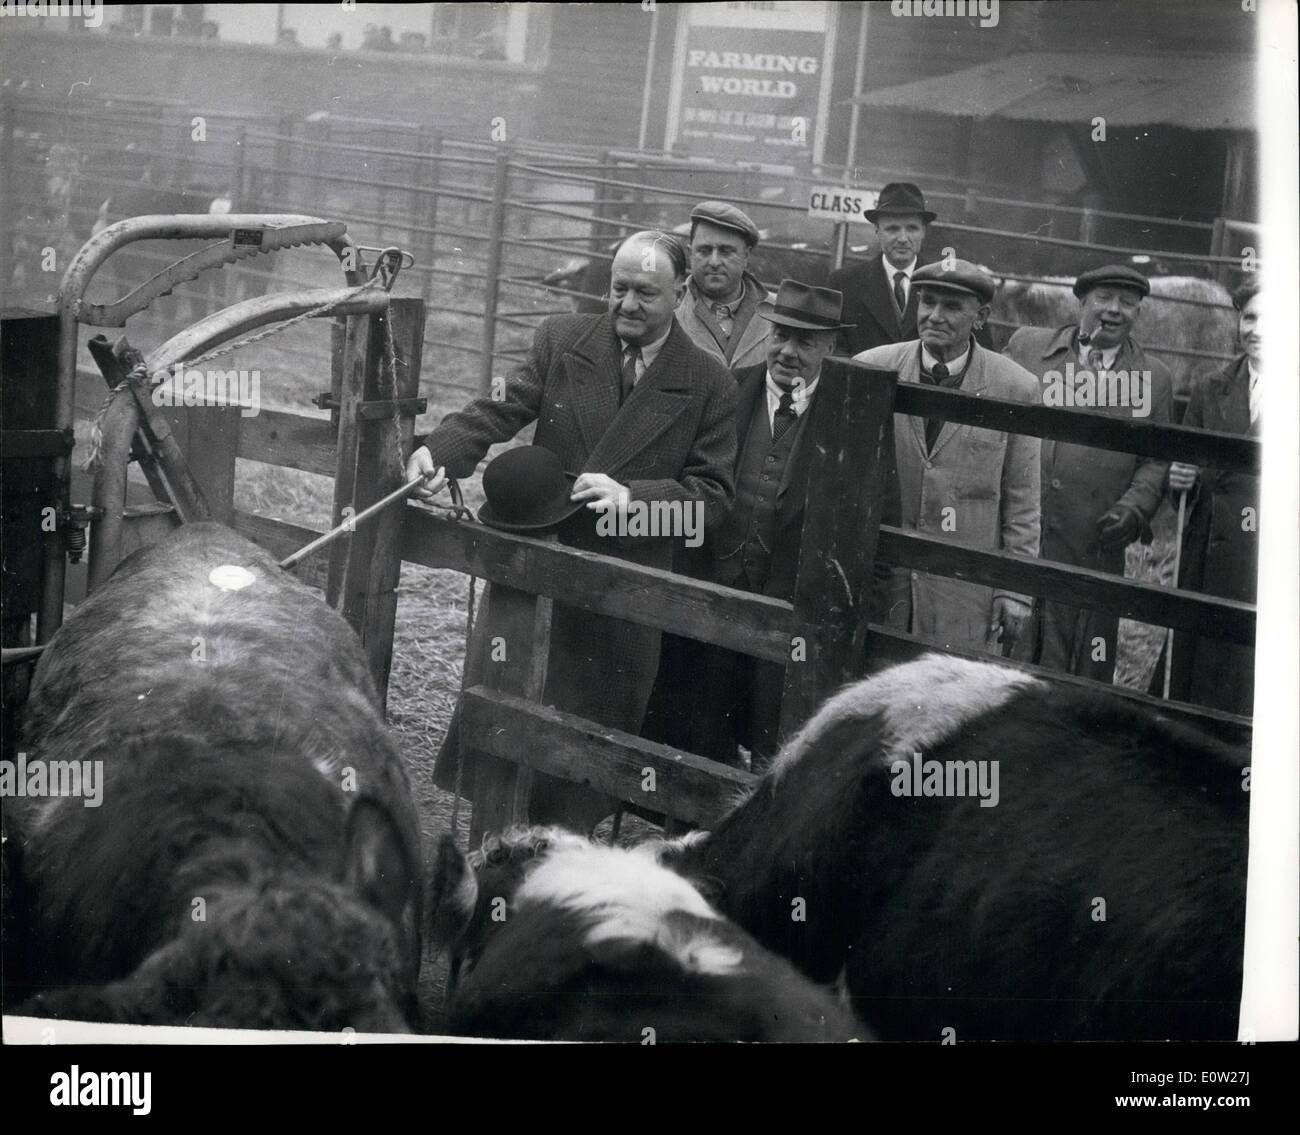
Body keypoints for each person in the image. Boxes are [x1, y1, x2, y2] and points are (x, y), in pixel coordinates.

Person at [406, 231, 737, 834]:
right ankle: (489, 878)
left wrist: (633, 501)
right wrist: (438, 451)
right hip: (536, 576)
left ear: (682, 293)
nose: (628, 306)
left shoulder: (709, 382)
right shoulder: (562, 340)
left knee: (582, 771)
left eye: (646, 294)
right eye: (618, 289)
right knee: (504, 737)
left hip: (624, 598)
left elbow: (709, 505)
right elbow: (497, 410)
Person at [854, 260, 1041, 655]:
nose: (934, 316)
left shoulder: (1015, 387)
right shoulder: (873, 369)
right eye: (927, 302)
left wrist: (1016, 591)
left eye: (952, 307)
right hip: (883, 585)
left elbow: (1022, 500)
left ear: (981, 317)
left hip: (964, 592)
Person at [1004, 264, 1173, 682]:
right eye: (1103, 298)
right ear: (1081, 302)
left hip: (1094, 540)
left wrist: (1135, 508)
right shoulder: (1028, 348)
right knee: (1011, 638)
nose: (1114, 310)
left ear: (1138, 313)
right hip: (1023, 529)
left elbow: (1156, 458)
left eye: (1128, 303)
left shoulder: (1154, 378)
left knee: (1083, 659)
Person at [1151, 278, 1260, 715]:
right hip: (1208, 548)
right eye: (1249, 317)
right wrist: (1182, 478)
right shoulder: (1211, 387)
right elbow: (1188, 473)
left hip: (1267, 558)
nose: (1257, 330)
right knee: (1195, 671)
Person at [674, 200, 774, 371]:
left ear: (746, 256)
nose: (714, 262)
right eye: (704, 251)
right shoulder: (669, 308)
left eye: (726, 251)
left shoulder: (777, 312)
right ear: (691, 253)